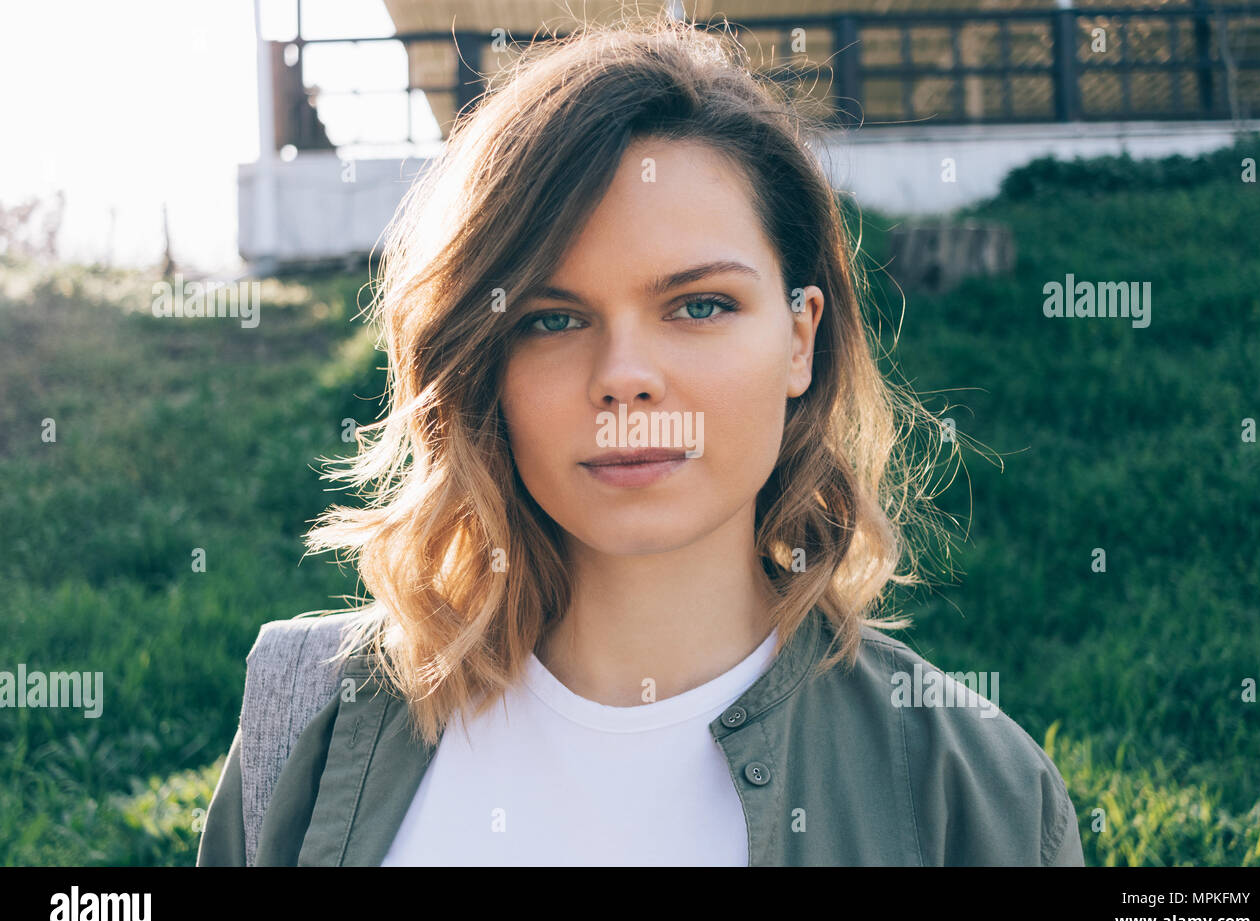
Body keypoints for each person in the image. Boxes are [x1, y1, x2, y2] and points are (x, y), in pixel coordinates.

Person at [197, 11, 1084, 866]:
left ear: (800, 337)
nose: (625, 375)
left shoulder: (976, 794)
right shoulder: (311, 724)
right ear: (482, 361)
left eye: (700, 305)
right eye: (552, 319)